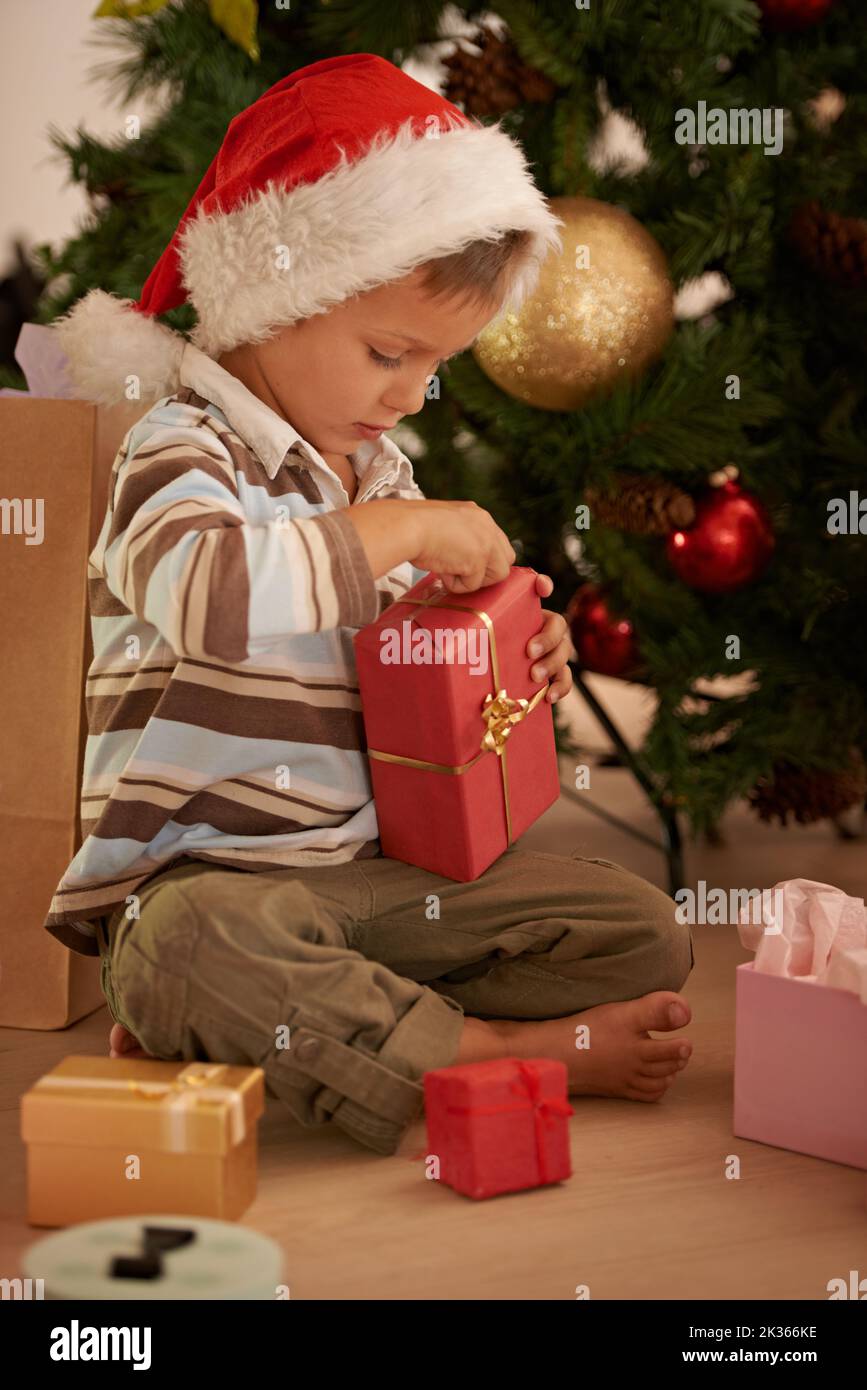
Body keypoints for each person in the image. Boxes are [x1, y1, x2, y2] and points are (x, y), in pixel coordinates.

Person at [49, 54, 693, 1156]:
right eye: (389, 354)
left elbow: (417, 665)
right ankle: (491, 1052)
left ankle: (305, 1033)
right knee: (187, 951)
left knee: (641, 931)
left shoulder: (380, 475)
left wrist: (512, 646)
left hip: (376, 883)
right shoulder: (180, 448)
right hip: (207, 886)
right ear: (278, 298)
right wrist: (403, 530)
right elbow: (210, 596)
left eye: (432, 366)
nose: (410, 395)